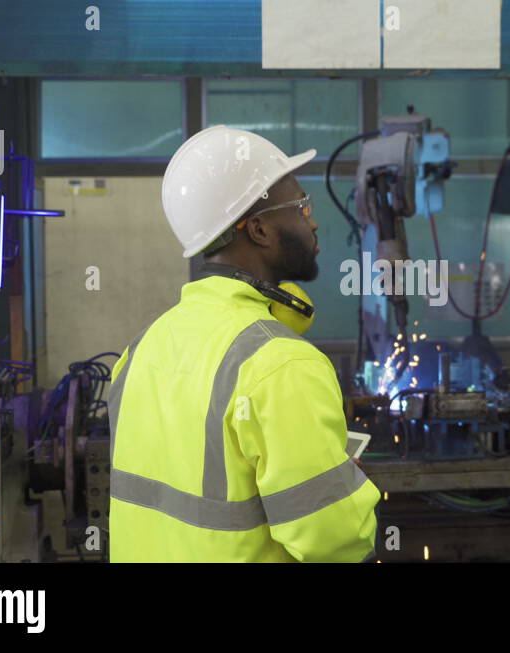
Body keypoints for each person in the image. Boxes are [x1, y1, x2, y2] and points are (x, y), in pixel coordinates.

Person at [107, 125, 380, 562]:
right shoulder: (280, 363)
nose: (312, 219)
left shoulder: (144, 348)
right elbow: (335, 539)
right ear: (258, 229)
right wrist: (346, 489)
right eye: (301, 206)